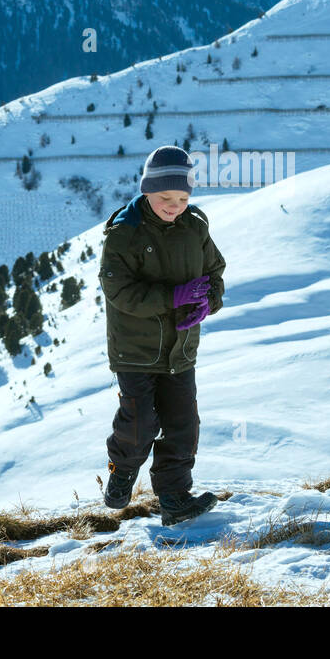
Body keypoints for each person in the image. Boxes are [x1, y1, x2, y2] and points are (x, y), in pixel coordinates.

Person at [98, 145, 226, 525]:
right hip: (136, 350)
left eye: (182, 198)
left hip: (180, 350)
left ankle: (174, 498)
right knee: (140, 424)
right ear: (146, 191)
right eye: (164, 197)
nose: (173, 205)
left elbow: (215, 273)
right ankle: (122, 473)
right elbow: (118, 291)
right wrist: (172, 297)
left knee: (183, 425)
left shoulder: (196, 227)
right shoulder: (125, 232)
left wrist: (207, 303)